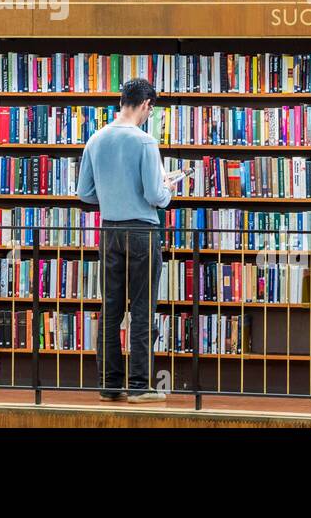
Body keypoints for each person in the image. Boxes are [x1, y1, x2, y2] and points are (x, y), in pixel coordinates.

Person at [76, 77, 187, 403]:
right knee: (141, 310)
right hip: (142, 231)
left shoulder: (95, 140)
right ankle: (139, 386)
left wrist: (114, 193)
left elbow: (84, 193)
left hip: (109, 231)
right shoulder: (145, 143)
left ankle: (109, 385)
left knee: (110, 310)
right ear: (146, 105)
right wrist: (167, 187)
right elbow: (155, 195)